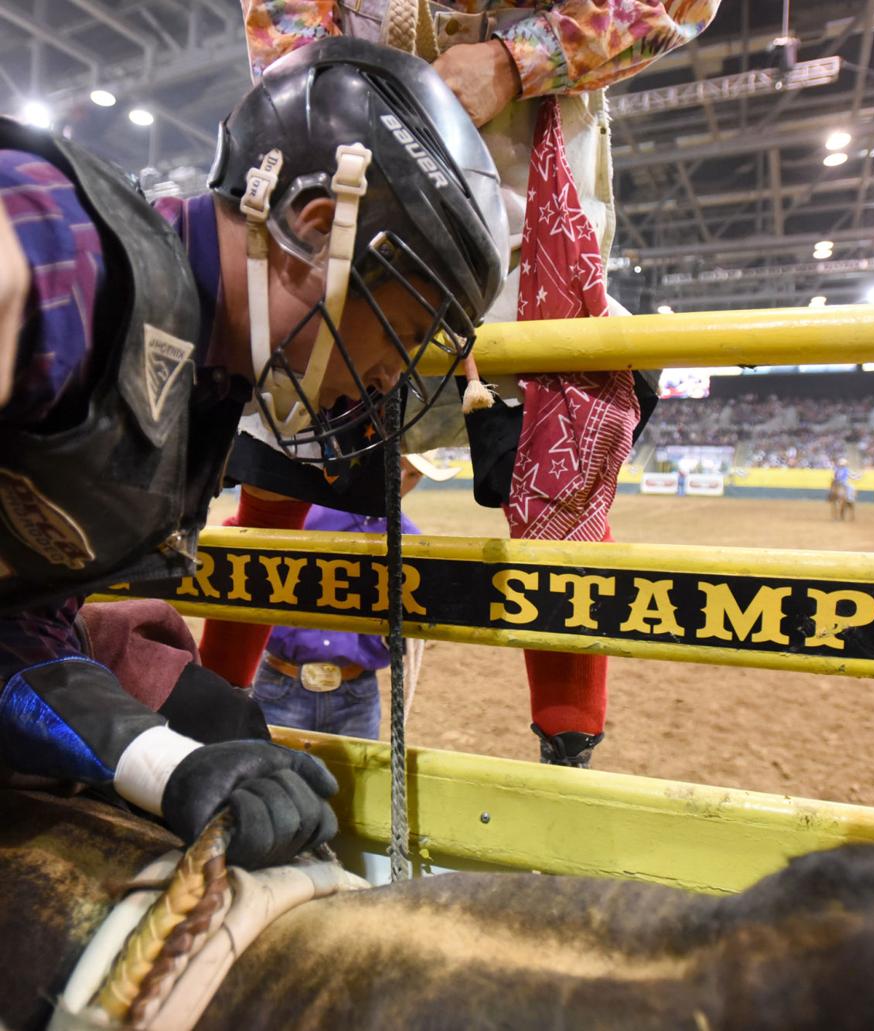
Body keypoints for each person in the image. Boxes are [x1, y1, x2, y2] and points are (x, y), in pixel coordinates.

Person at [0, 38, 505, 867]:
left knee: (217, 718)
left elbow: (19, 628)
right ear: (316, 226)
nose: (386, 381)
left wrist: (165, 761)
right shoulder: (69, 253)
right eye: (404, 333)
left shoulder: (200, 381)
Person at [220, 0, 721, 770]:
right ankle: (210, 714)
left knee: (556, 463)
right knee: (286, 431)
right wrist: (327, 88)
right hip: (345, 174)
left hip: (524, 199)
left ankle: (567, 758)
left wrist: (521, 58)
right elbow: (281, 19)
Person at [251, 454, 453, 737]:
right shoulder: (308, 511)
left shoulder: (409, 538)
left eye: (414, 475)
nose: (401, 481)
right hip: (285, 683)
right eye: (398, 465)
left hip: (354, 693)